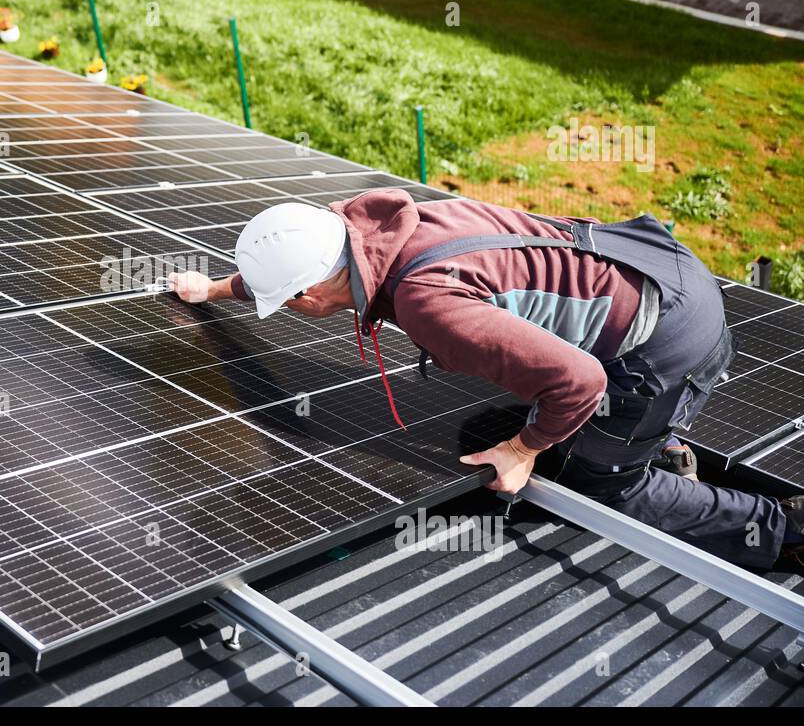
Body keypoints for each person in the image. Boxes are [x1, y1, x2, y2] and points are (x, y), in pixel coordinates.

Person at [167, 191, 804, 570]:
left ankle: (778, 530)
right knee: (554, 392)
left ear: (308, 293)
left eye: (290, 300)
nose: (293, 308)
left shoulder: (427, 303)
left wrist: (522, 450)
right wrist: (218, 289)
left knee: (605, 488)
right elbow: (300, 262)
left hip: (666, 336)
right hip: (656, 268)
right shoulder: (376, 225)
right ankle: (656, 439)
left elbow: (579, 381)